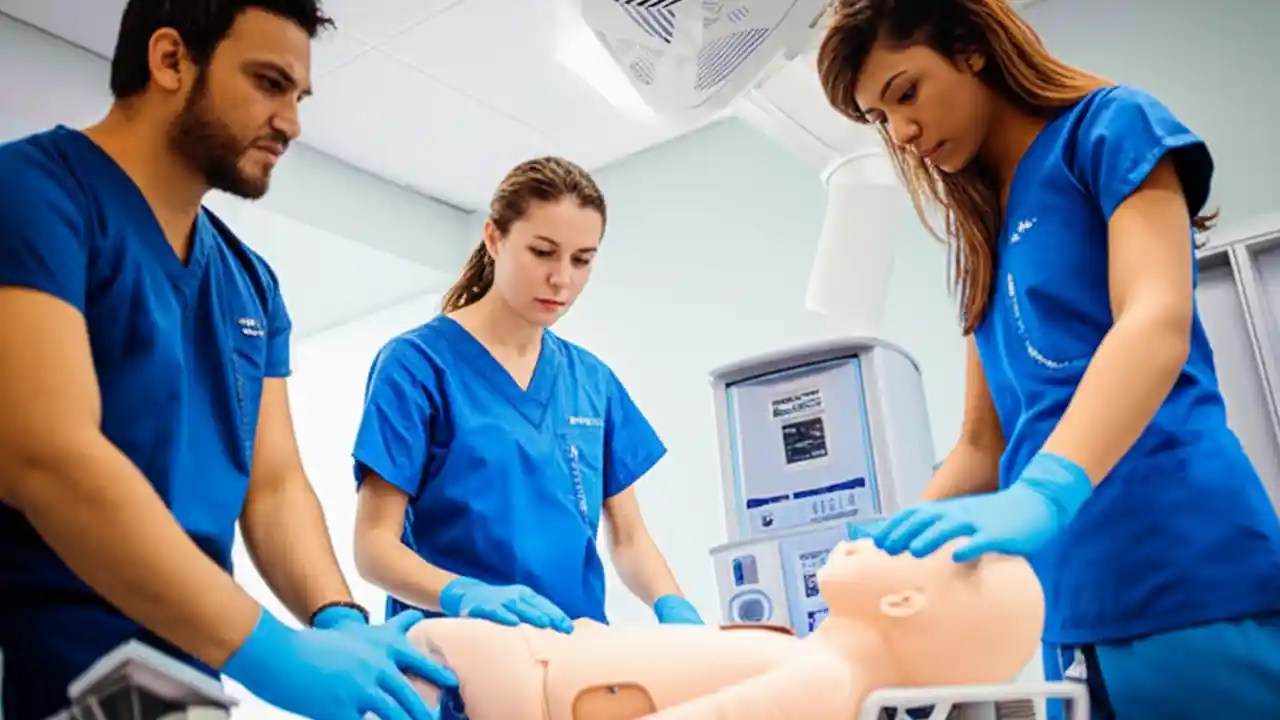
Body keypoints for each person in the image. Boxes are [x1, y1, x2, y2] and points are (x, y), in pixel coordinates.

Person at [815, 1, 1280, 718]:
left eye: (905, 93)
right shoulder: (982, 235)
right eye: (882, 117)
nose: (901, 132)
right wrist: (885, 560)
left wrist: (1047, 492)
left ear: (969, 48)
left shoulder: (1109, 128)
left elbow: (1155, 321)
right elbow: (982, 445)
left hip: (1185, 564)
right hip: (1063, 604)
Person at [0, 2, 456, 719]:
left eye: (298, 97)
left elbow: (272, 485)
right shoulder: (32, 194)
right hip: (47, 678)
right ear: (171, 60)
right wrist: (267, 652)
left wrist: (336, 617)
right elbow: (45, 455)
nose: (292, 123)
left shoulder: (248, 281)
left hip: (186, 682)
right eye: (269, 83)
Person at [351, 157, 703, 636]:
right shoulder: (417, 367)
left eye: (582, 260)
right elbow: (373, 546)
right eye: (543, 252)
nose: (563, 279)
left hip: (573, 663)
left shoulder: (591, 381)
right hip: (459, 663)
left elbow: (630, 537)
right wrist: (462, 595)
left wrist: (674, 607)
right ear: (494, 238)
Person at [393, 537, 1043, 720]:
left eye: (906, 543)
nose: (878, 533)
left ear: (902, 602)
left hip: (493, 684)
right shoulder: (811, 658)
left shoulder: (824, 682)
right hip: (490, 667)